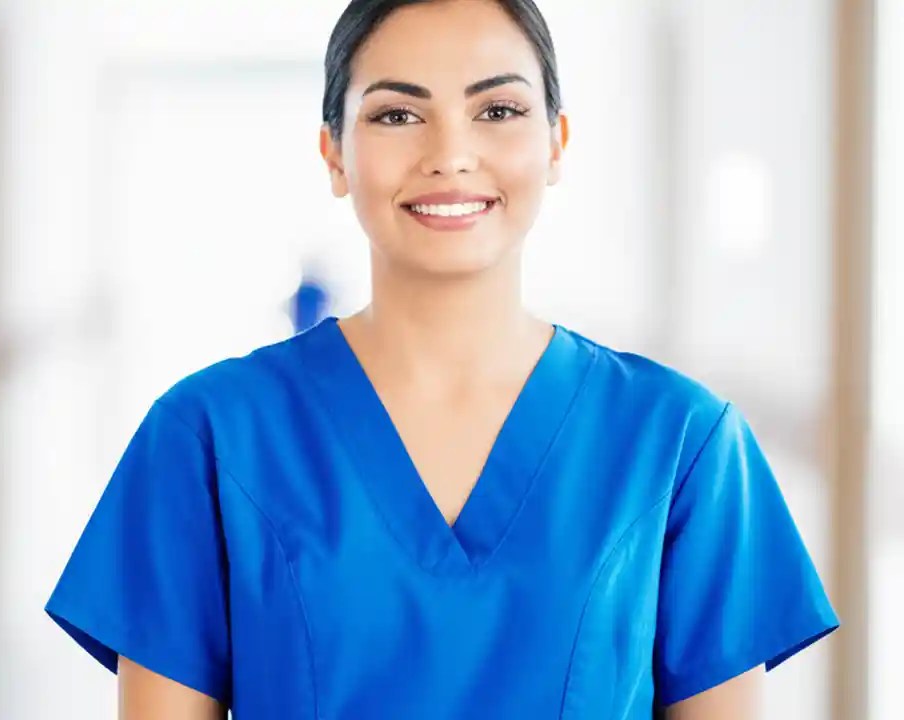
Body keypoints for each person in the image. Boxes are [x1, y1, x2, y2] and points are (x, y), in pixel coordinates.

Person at [44, 1, 839, 717]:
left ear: (556, 143)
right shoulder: (209, 436)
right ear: (333, 153)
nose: (451, 155)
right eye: (397, 115)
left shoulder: (681, 445)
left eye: (498, 109)